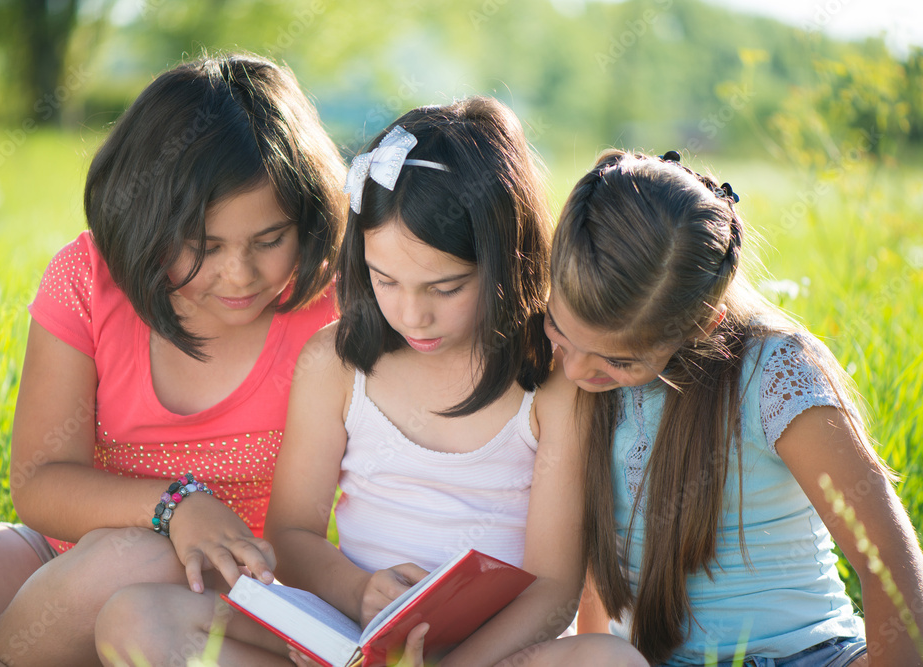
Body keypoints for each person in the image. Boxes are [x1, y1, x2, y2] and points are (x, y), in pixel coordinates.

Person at [91, 98, 647, 666]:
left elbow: (554, 590)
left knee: (611, 660)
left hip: (492, 653)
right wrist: (358, 593)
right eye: (386, 280)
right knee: (134, 618)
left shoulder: (552, 385)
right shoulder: (335, 363)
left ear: (508, 262)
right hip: (351, 635)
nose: (412, 314)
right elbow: (290, 536)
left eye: (446, 287)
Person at [0, 52, 346, 667]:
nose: (240, 273)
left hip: (216, 591)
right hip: (59, 557)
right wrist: (175, 503)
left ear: (305, 219)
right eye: (203, 246)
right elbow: (39, 482)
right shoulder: (88, 281)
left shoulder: (329, 312)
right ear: (146, 221)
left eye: (269, 240)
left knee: (140, 556)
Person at [539, 149, 923, 666]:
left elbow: (889, 565)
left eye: (617, 360)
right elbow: (594, 578)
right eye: (560, 330)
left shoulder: (773, 373)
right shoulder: (575, 385)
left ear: (703, 326)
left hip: (807, 656)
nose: (576, 372)